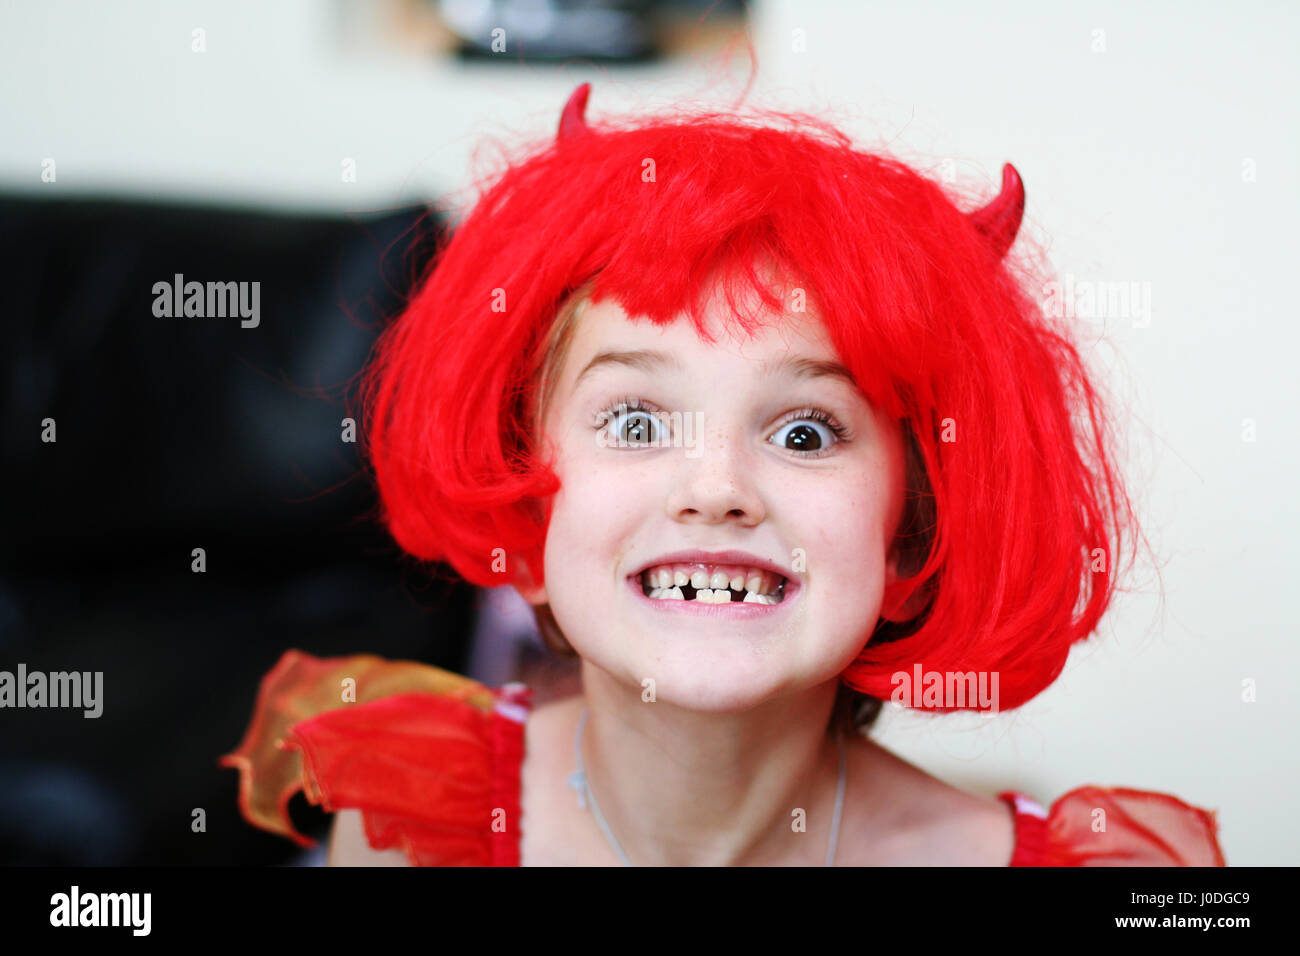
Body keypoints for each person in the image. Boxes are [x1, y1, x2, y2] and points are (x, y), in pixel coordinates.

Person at [221, 84, 1226, 866]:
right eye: (633, 418)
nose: (715, 486)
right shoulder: (410, 819)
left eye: (803, 433)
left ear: (910, 530)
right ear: (524, 496)